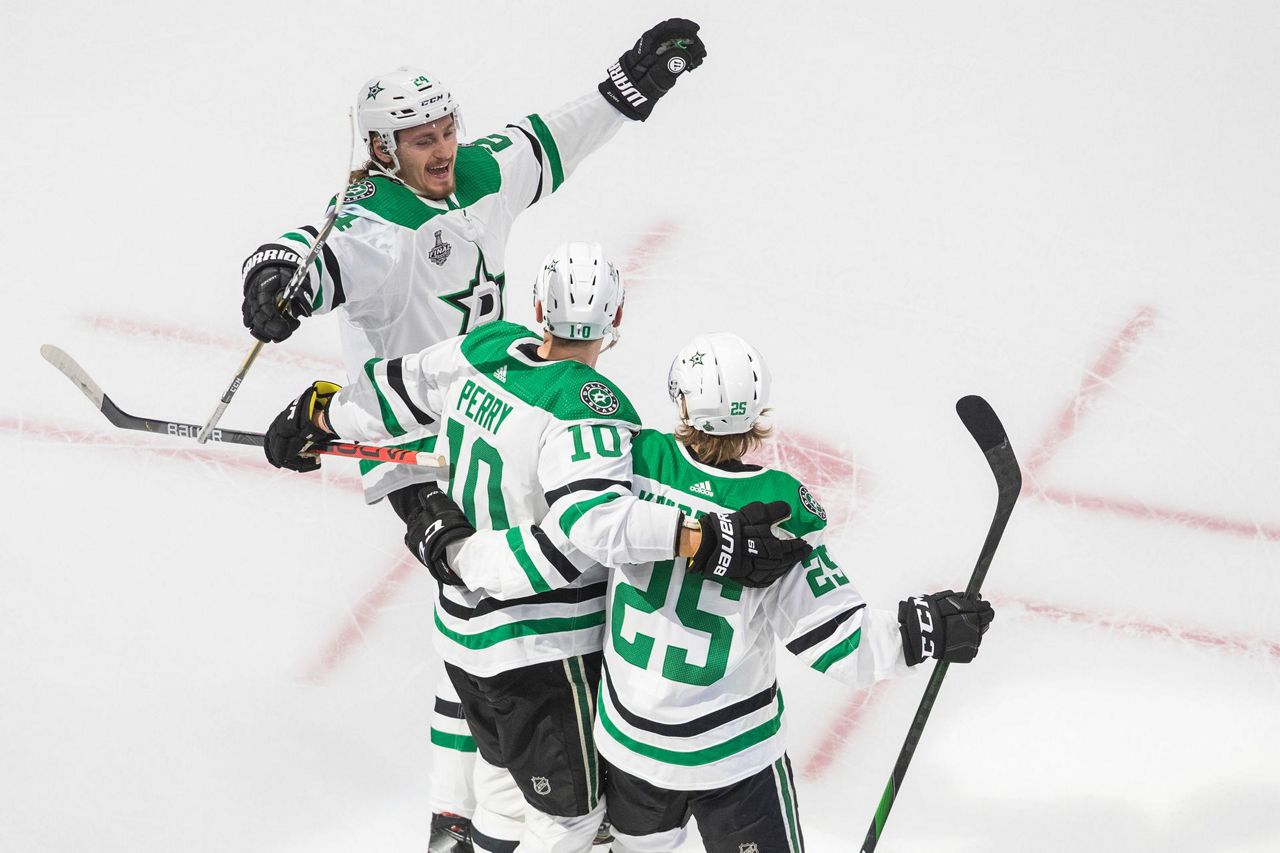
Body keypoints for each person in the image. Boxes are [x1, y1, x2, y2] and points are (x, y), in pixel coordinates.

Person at [239, 20, 708, 851]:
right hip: (406, 441)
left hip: (492, 417)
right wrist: (275, 281)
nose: (443, 149)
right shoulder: (372, 225)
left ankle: (477, 807)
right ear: (382, 149)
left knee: (481, 629)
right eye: (421, 139)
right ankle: (460, 813)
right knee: (476, 611)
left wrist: (633, 83)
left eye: (446, 129)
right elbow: (311, 253)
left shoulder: (482, 173)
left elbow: (555, 136)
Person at [261, 243, 807, 853]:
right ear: (617, 316)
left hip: (461, 639)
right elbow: (590, 531)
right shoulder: (589, 409)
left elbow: (400, 389)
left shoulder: (485, 348)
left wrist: (321, 413)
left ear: (539, 308)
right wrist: (703, 537)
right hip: (538, 655)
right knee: (572, 822)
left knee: (503, 793)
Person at [408, 332, 997, 853]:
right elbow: (842, 645)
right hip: (733, 758)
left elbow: (567, 519)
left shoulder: (633, 465)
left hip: (632, 752)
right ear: (759, 413)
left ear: (682, 403)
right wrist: (926, 629)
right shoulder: (778, 511)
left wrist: (455, 540)